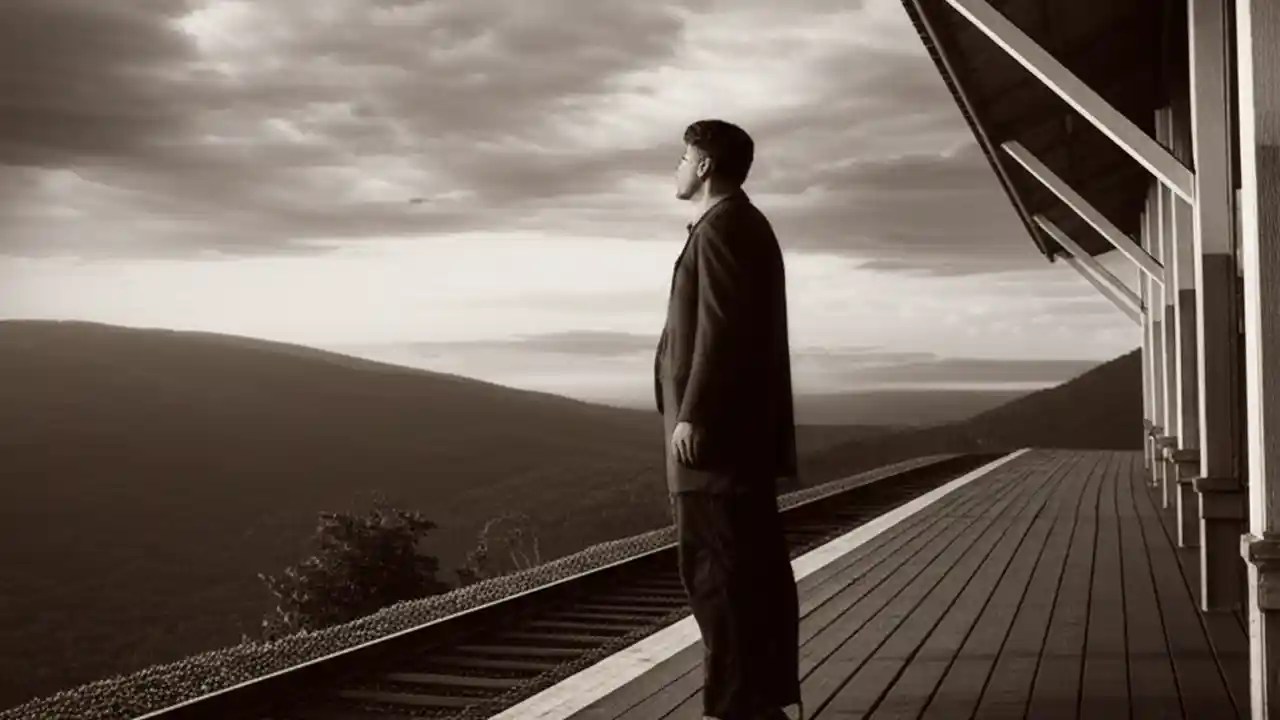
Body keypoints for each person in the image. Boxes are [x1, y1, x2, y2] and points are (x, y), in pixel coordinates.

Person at [654, 119, 803, 720]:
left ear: (706, 165)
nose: (678, 168)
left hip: (714, 446)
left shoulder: (724, 228)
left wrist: (693, 415)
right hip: (728, 440)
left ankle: (741, 706)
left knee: (720, 577)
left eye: (683, 157)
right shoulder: (737, 224)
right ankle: (757, 701)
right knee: (743, 571)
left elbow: (721, 331)